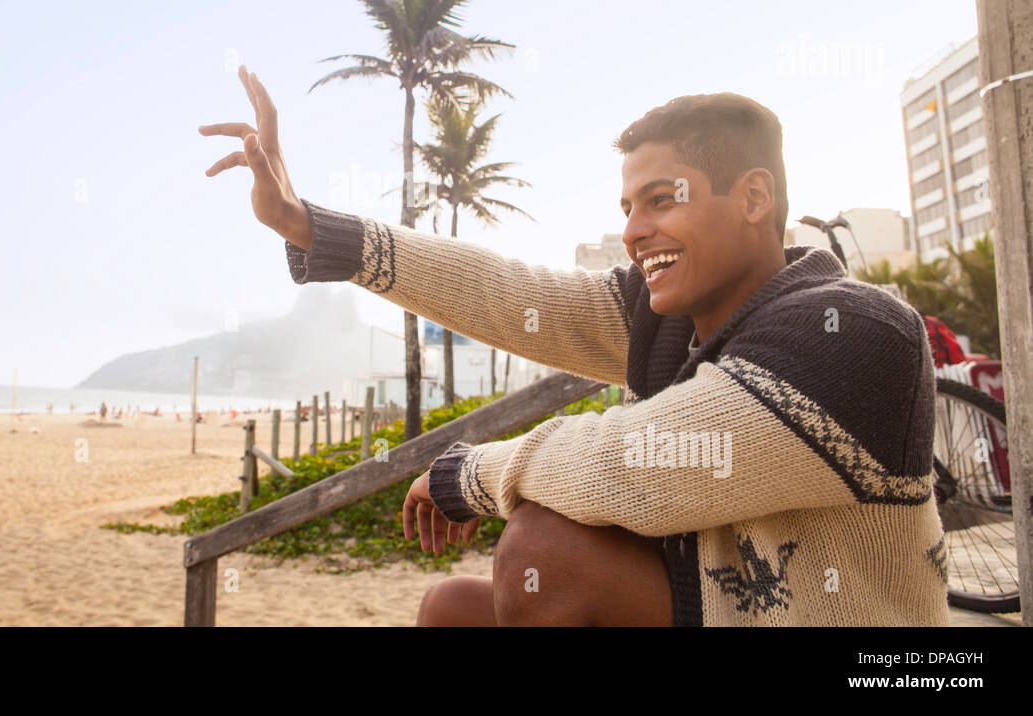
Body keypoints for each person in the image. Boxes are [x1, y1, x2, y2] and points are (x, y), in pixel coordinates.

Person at [201, 65, 949, 627]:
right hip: (727, 606)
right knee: (451, 610)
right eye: (628, 207)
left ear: (753, 198)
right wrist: (307, 225)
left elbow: (645, 462)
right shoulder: (669, 322)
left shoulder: (854, 331)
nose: (632, 229)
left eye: (662, 200)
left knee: (541, 551)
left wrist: (473, 472)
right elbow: (506, 295)